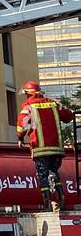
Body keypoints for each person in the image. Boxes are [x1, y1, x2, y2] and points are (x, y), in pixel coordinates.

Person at [16, 81, 76, 211]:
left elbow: (21, 126)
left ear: (28, 94)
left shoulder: (28, 107)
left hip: (40, 148)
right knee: (54, 172)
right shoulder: (53, 103)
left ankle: (47, 204)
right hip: (57, 149)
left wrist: (20, 138)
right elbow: (68, 116)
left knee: (42, 175)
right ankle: (61, 201)